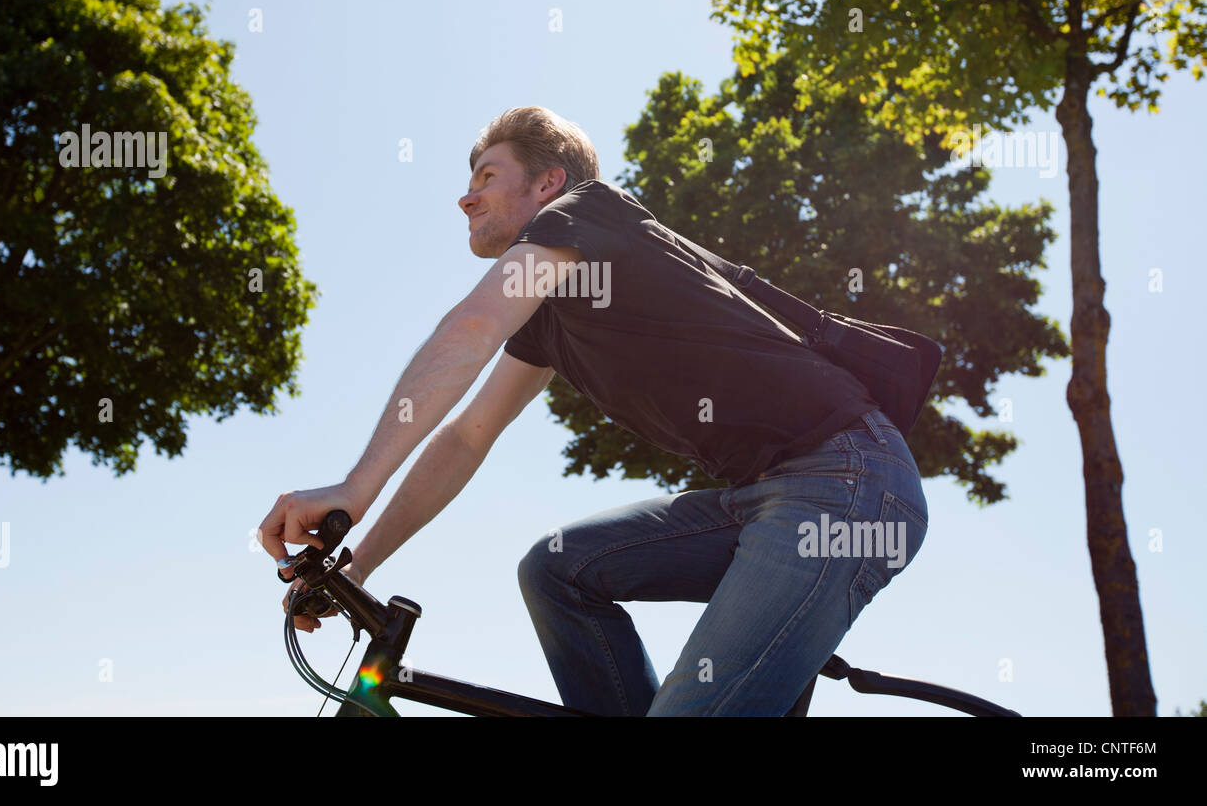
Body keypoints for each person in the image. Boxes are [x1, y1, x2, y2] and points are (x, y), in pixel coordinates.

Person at [257, 105, 929, 716]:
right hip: (760, 498)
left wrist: (355, 486)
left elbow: (470, 330)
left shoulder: (590, 210)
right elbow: (468, 437)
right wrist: (359, 565)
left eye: (488, 176)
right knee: (554, 570)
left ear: (548, 184)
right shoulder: (550, 315)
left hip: (845, 486)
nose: (466, 197)